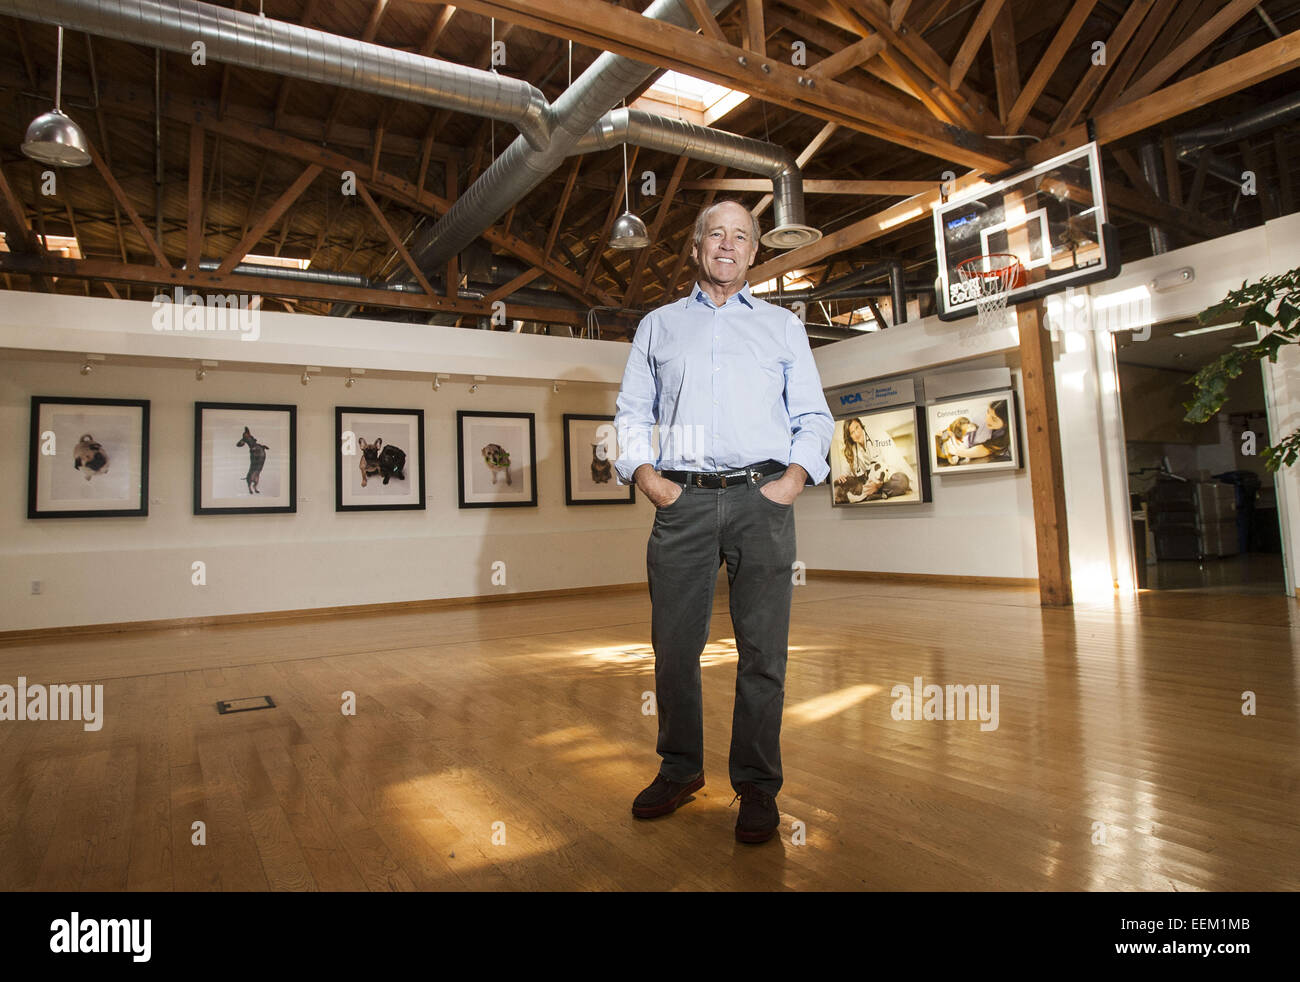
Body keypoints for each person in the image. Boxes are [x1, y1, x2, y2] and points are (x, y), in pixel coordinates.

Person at [613, 199, 834, 844]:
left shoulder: (783, 327)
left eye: (742, 236)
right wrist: (647, 477)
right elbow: (631, 411)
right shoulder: (658, 326)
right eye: (717, 234)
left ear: (754, 250)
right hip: (680, 504)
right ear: (697, 246)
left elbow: (813, 416)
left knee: (763, 654)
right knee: (674, 650)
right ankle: (680, 770)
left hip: (760, 502)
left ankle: (758, 788)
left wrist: (793, 480)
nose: (729, 245)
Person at [833, 416, 917, 503]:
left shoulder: (878, 436)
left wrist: (877, 485)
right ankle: (873, 494)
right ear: (850, 436)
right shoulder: (852, 449)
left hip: (884, 480)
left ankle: (874, 494)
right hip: (865, 482)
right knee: (838, 485)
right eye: (852, 432)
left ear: (861, 426)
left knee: (901, 480)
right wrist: (843, 476)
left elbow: (892, 464)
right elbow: (846, 472)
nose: (857, 434)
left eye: (857, 428)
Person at [945, 399, 1012, 463]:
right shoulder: (977, 417)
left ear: (1006, 423)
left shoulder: (1007, 435)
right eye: (988, 412)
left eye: (994, 419)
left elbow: (989, 448)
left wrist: (961, 452)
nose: (987, 420)